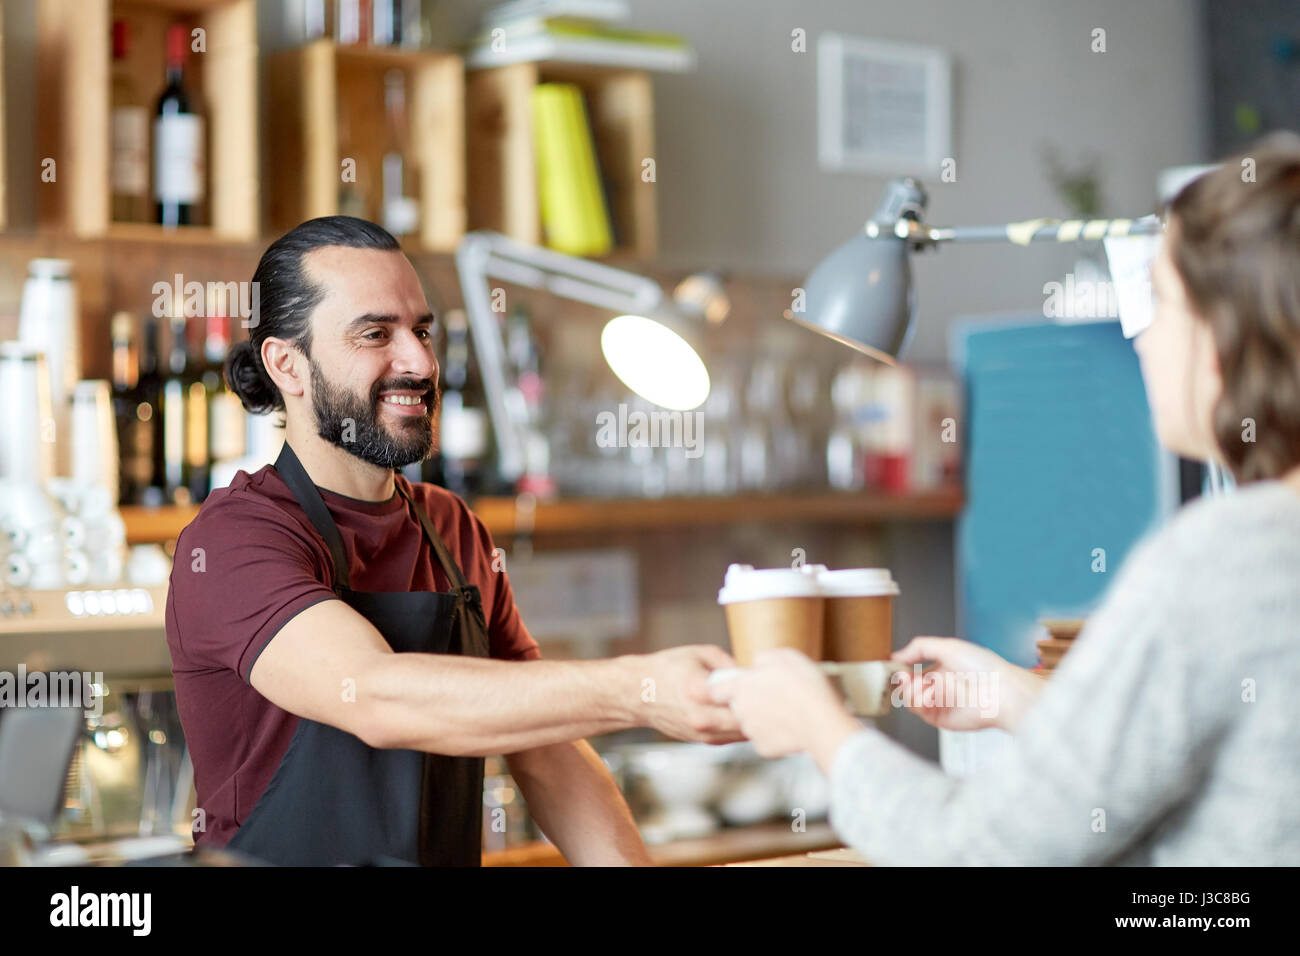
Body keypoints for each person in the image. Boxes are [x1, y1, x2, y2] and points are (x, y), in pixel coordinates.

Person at [712, 134, 1300, 864]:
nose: (1144, 337)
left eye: (1164, 301)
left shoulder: (1228, 555)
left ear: (1230, 335)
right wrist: (1013, 701)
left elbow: (978, 851)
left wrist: (820, 728)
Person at [166, 216, 741, 867]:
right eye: (376, 334)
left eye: (422, 331)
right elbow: (376, 695)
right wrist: (637, 687)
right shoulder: (235, 540)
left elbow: (547, 750)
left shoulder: (451, 527)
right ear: (287, 364)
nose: (420, 361)